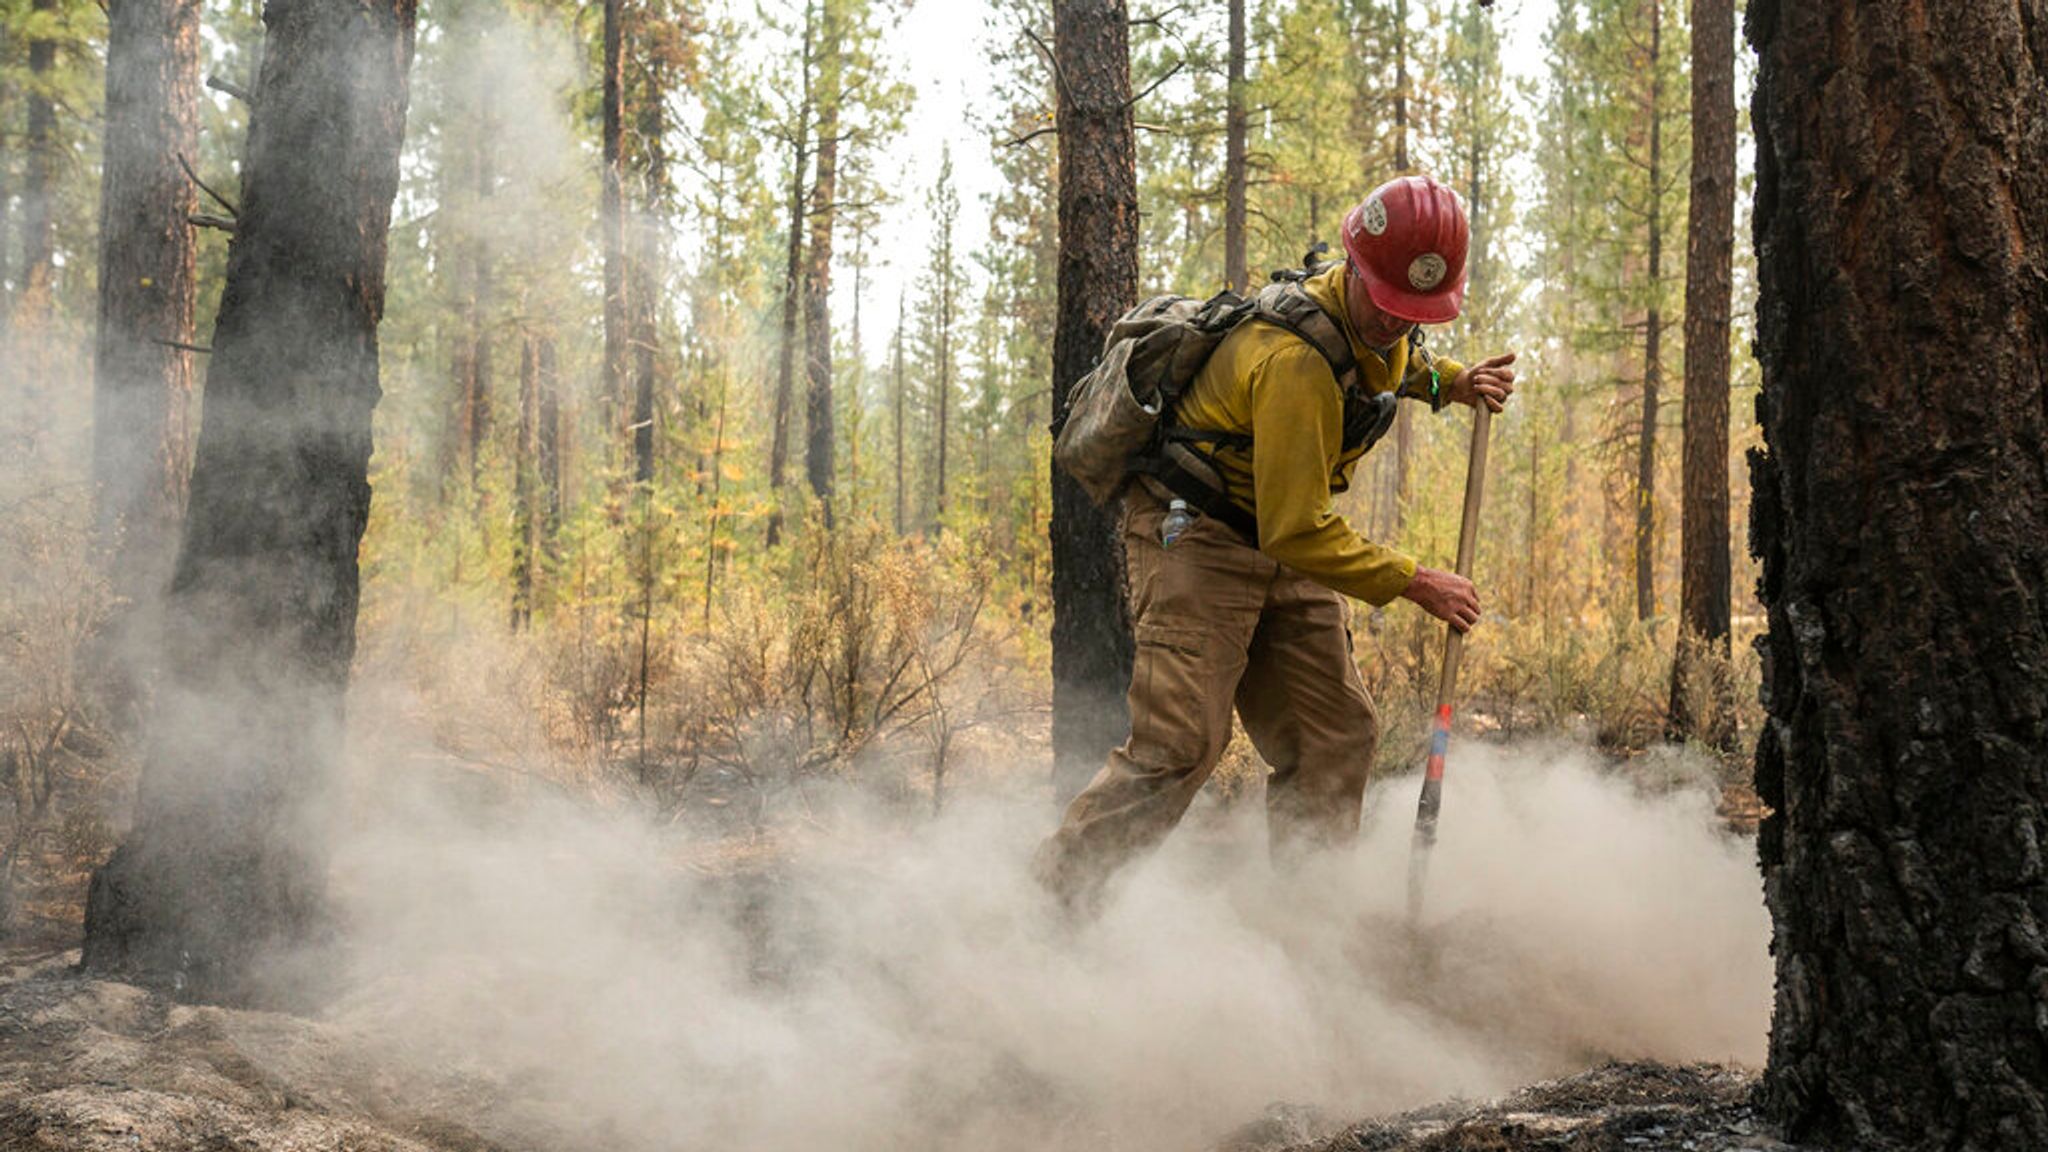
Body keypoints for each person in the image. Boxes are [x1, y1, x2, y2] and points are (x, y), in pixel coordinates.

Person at [1035, 174, 1518, 910]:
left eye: (1413, 312)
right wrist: (1416, 581)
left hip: (1277, 536)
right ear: (1354, 266)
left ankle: (1306, 933)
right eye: (1387, 302)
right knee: (1179, 749)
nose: (1395, 322)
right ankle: (1048, 908)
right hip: (1196, 535)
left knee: (1335, 734)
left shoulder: (1369, 322)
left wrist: (1451, 381)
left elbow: (1389, 364)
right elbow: (1300, 528)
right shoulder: (1292, 362)